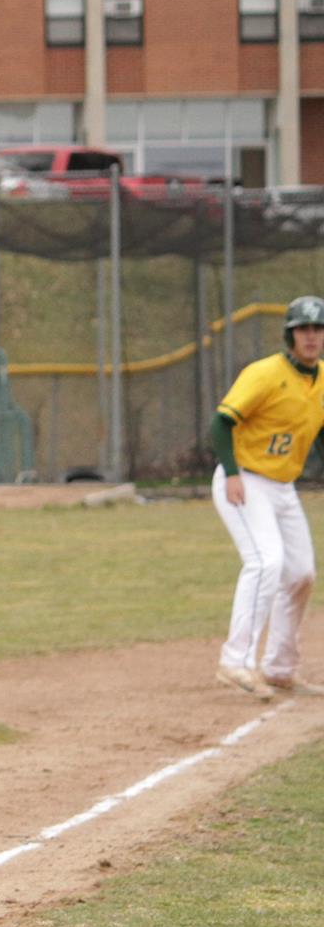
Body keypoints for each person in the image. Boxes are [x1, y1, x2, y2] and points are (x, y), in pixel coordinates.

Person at [210, 295, 324, 699]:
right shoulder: (264, 374)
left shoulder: (322, 379)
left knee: (301, 574)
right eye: (303, 329)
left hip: (282, 486)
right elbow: (221, 423)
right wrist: (233, 474)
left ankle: (279, 667)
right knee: (265, 562)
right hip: (245, 480)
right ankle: (235, 662)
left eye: (317, 329)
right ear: (290, 335)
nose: (311, 336)